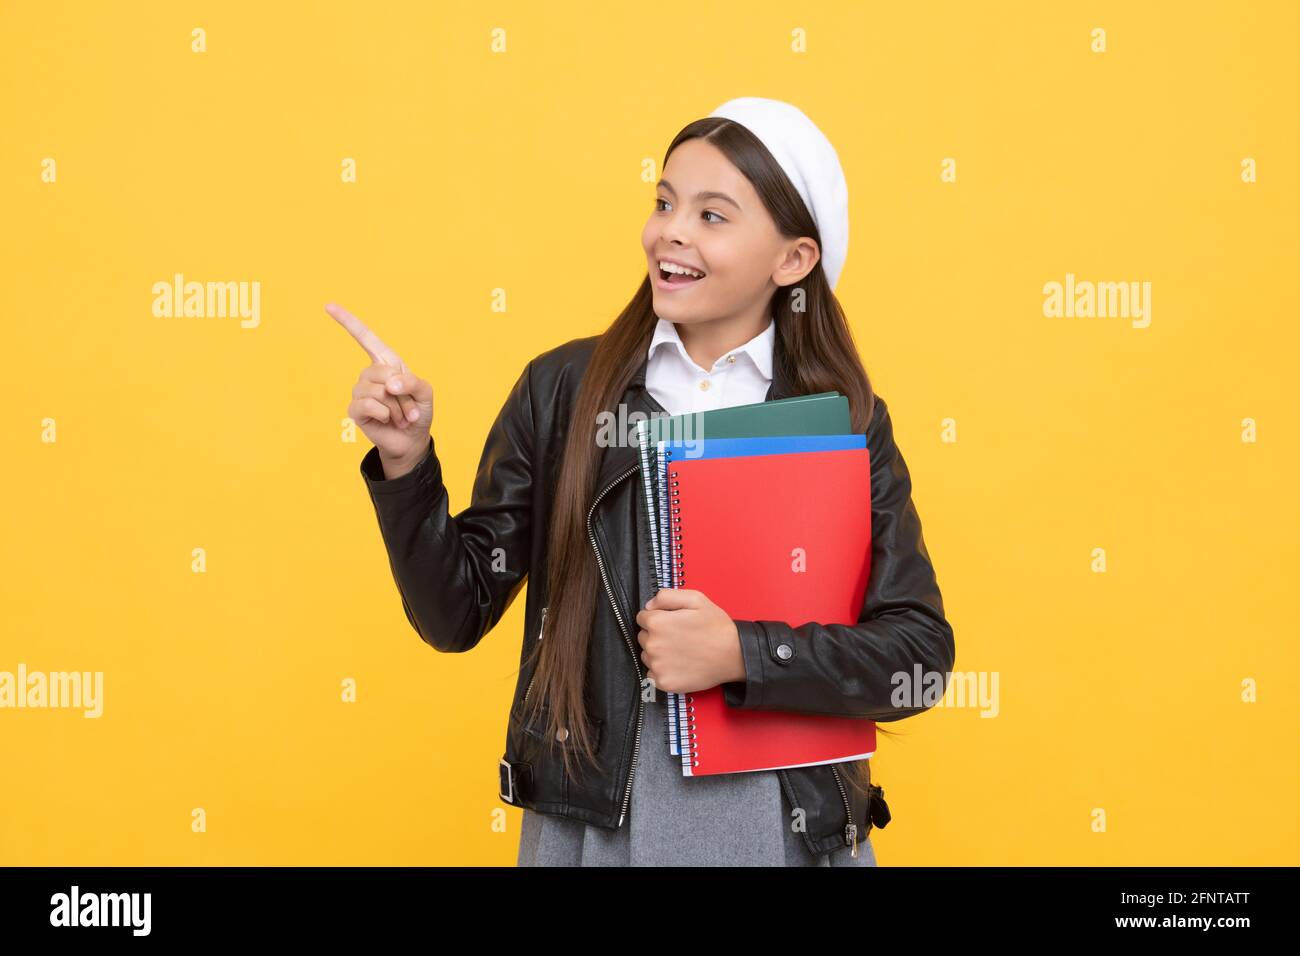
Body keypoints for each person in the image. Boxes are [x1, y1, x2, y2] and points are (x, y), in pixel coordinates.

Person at [329, 97, 955, 866]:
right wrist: (406, 462)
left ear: (792, 261)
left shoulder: (843, 421)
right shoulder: (562, 390)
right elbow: (453, 613)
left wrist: (744, 654)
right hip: (597, 827)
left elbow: (915, 662)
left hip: (783, 823)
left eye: (713, 215)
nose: (672, 231)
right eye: (664, 202)